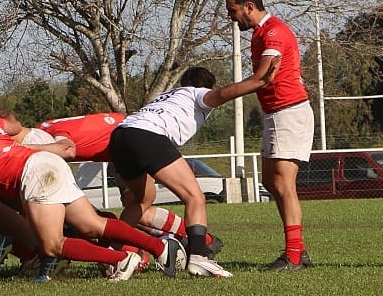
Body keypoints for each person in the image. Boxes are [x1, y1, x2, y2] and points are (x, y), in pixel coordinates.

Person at [0, 105, 186, 281]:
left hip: (34, 172)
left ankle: (121, 259)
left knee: (52, 244)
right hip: (46, 162)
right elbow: (12, 124)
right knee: (91, 224)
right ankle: (161, 247)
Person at [110, 67, 268, 278]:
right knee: (194, 197)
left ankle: (111, 254)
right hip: (147, 136)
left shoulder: (166, 96)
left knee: (142, 200)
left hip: (120, 137)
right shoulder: (197, 93)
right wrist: (258, 82)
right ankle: (199, 258)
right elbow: (221, 94)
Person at [225, 0, 315, 271]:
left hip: (289, 112)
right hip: (275, 114)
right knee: (269, 181)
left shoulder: (274, 32)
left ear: (248, 7)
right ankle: (298, 250)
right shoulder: (259, 34)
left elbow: (264, 78)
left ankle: (293, 255)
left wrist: (219, 96)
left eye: (233, 10)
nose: (231, 16)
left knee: (282, 183)